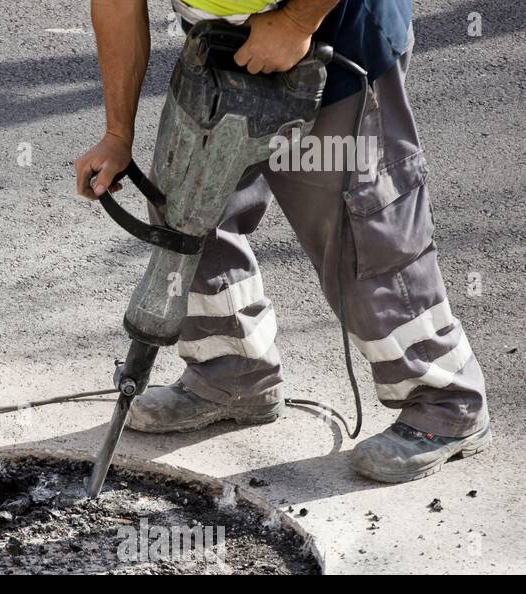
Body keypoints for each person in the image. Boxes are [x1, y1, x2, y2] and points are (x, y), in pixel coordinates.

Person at [73, 0, 490, 483]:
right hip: (220, 40)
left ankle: (447, 402)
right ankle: (231, 374)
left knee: (360, 235)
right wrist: (116, 133)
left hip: (333, 37)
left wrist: (297, 23)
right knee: (187, 215)